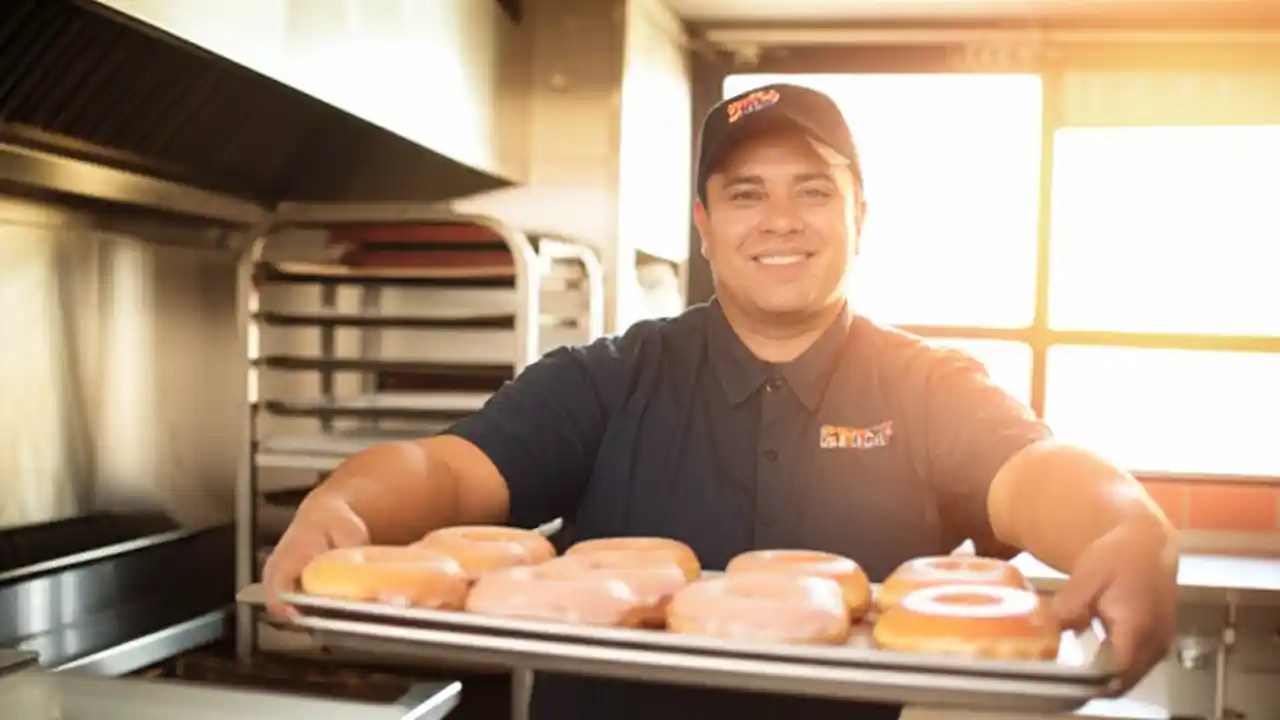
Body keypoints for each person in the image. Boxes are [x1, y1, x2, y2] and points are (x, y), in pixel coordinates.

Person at [263, 83, 1178, 719]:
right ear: (704, 226)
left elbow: (1036, 472)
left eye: (813, 191)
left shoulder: (924, 386)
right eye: (746, 194)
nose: (780, 219)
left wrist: (1125, 527)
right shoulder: (613, 378)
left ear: (861, 216)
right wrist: (345, 503)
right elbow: (445, 471)